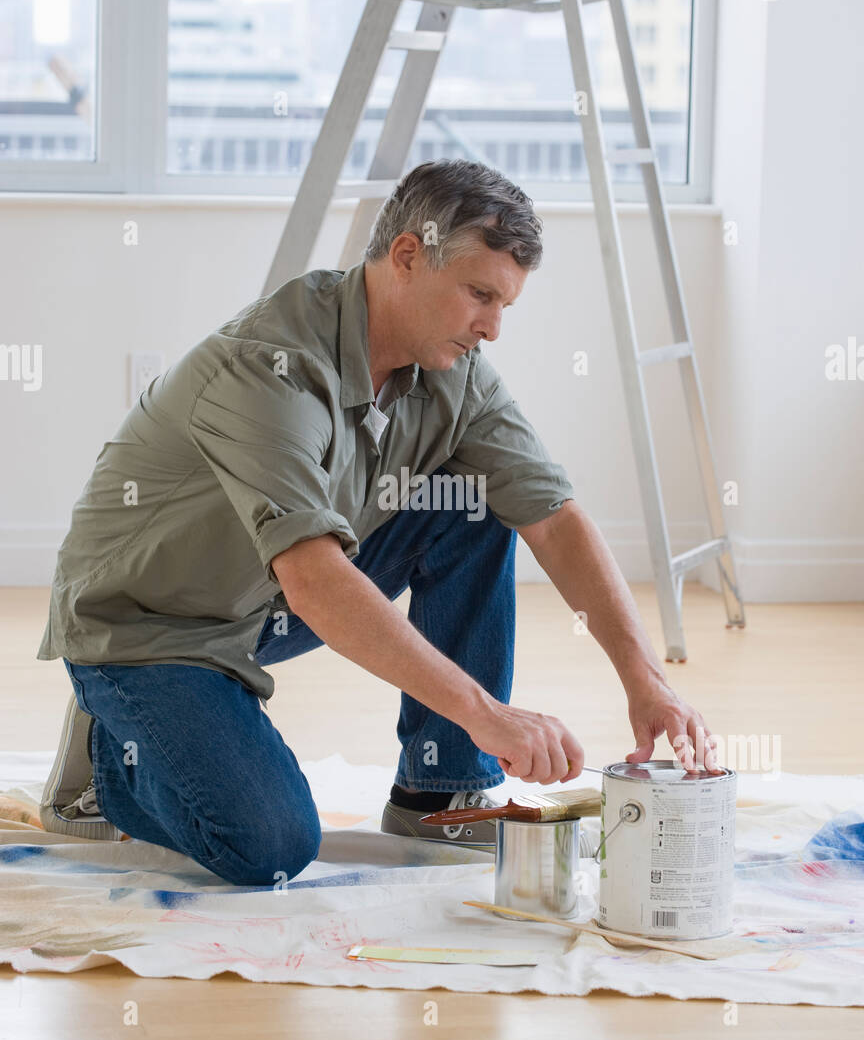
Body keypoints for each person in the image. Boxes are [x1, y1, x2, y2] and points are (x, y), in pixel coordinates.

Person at [38, 159, 717, 883]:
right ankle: (111, 757)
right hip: (150, 627)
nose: (491, 327)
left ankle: (439, 787)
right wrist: (490, 712)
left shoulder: (453, 372)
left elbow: (553, 517)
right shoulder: (272, 369)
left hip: (257, 603)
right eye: (479, 295)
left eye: (503, 305)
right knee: (269, 843)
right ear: (407, 256)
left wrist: (646, 683)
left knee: (476, 501)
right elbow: (316, 581)